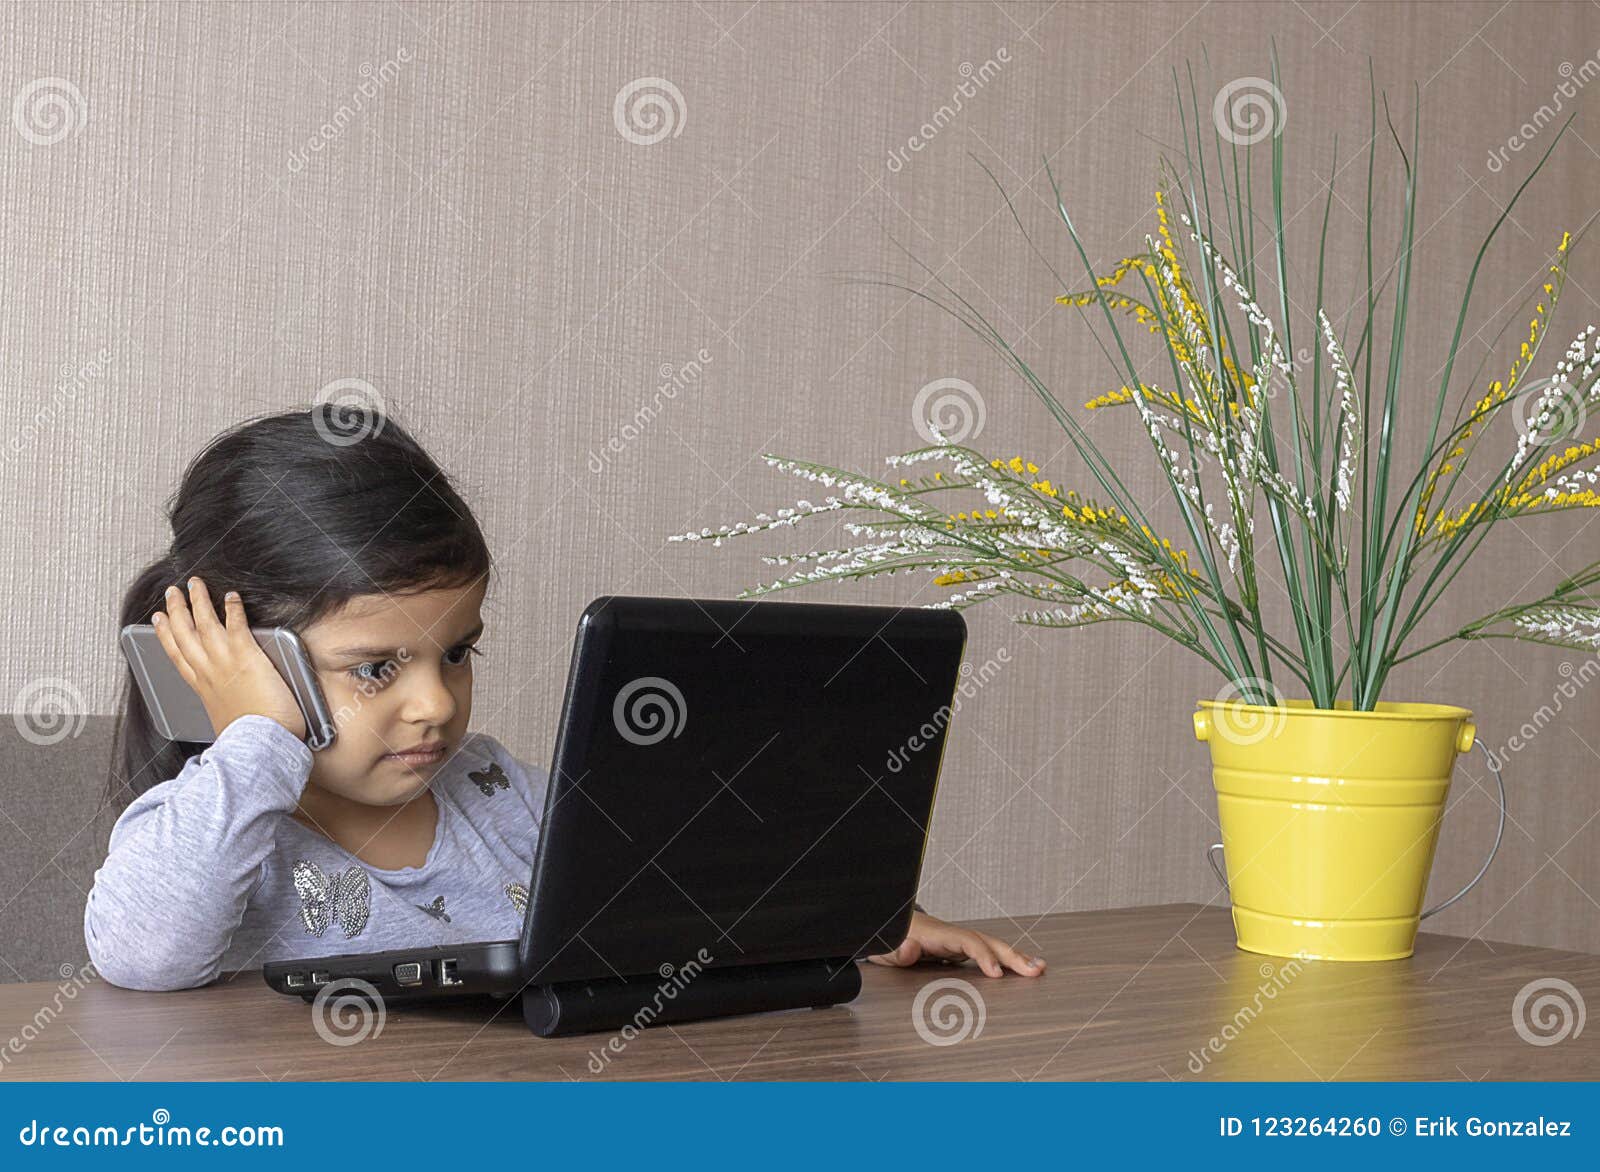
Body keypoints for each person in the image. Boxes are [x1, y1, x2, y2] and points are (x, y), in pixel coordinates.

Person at [85, 406, 1047, 991]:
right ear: (232, 659)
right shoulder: (204, 824)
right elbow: (142, 955)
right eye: (377, 667)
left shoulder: (493, 792)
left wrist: (837, 917)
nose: (434, 705)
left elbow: (659, 879)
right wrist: (255, 733)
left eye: (456, 652)